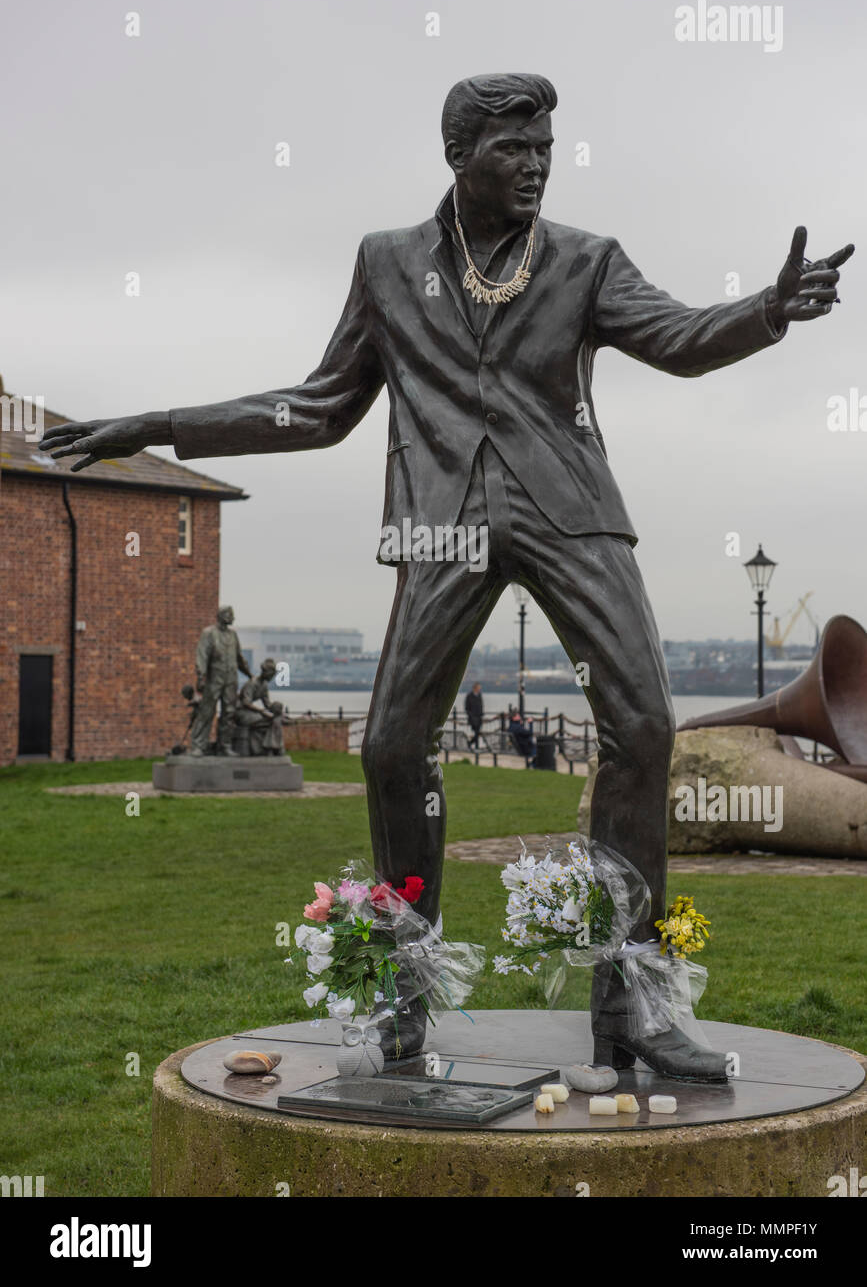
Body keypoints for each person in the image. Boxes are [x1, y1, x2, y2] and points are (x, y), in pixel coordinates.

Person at [40, 72, 853, 1072]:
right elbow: (320, 405)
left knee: (641, 724)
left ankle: (632, 1005)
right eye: (517, 148)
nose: (538, 165)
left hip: (572, 516)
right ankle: (403, 1000)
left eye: (547, 148)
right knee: (389, 747)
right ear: (460, 154)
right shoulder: (387, 266)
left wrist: (767, 310)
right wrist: (160, 425)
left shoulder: (587, 261)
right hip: (444, 531)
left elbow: (677, 338)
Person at [190, 606, 251, 756]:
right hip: (214, 679)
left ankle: (224, 746)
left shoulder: (233, 635)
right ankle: (199, 745)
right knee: (207, 712)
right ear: (221, 616)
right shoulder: (209, 633)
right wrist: (201, 677)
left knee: (229, 713)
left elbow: (239, 658)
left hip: (231, 680)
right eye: (230, 615)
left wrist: (250, 675)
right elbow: (202, 656)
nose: (233, 618)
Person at [234, 658, 285, 756]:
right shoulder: (252, 683)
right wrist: (261, 711)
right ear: (265, 672)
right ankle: (269, 749)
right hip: (241, 713)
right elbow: (246, 702)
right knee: (268, 720)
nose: (272, 677)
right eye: (271, 674)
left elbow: (267, 704)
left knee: (276, 719)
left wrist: (277, 709)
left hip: (251, 712)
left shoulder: (264, 685)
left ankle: (272, 748)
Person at [464, 682, 484, 749]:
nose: (479, 689)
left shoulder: (479, 695)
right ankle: (475, 746)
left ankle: (470, 743)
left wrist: (481, 713)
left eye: (480, 688)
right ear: (474, 688)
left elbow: (481, 705)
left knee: (477, 733)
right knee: (476, 732)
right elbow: (467, 708)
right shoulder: (469, 696)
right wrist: (471, 716)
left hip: (479, 718)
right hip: (472, 718)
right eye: (478, 688)